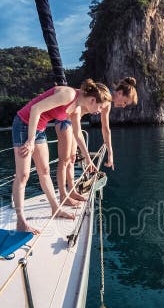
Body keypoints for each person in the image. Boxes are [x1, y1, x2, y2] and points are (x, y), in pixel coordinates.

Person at [12, 79, 111, 234]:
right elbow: (36, 109)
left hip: (39, 128)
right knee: (23, 175)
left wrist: (88, 158)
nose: (99, 111)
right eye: (100, 107)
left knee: (44, 170)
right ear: (92, 100)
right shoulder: (68, 95)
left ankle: (55, 209)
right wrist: (30, 140)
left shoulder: (77, 108)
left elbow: (78, 134)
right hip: (24, 124)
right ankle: (21, 222)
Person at [55, 77, 138, 206]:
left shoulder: (107, 104)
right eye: (125, 102)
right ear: (120, 93)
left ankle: (71, 191)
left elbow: (106, 128)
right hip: (65, 119)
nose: (124, 106)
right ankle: (62, 196)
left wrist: (110, 153)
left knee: (71, 159)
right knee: (64, 159)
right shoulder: (101, 94)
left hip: (75, 123)